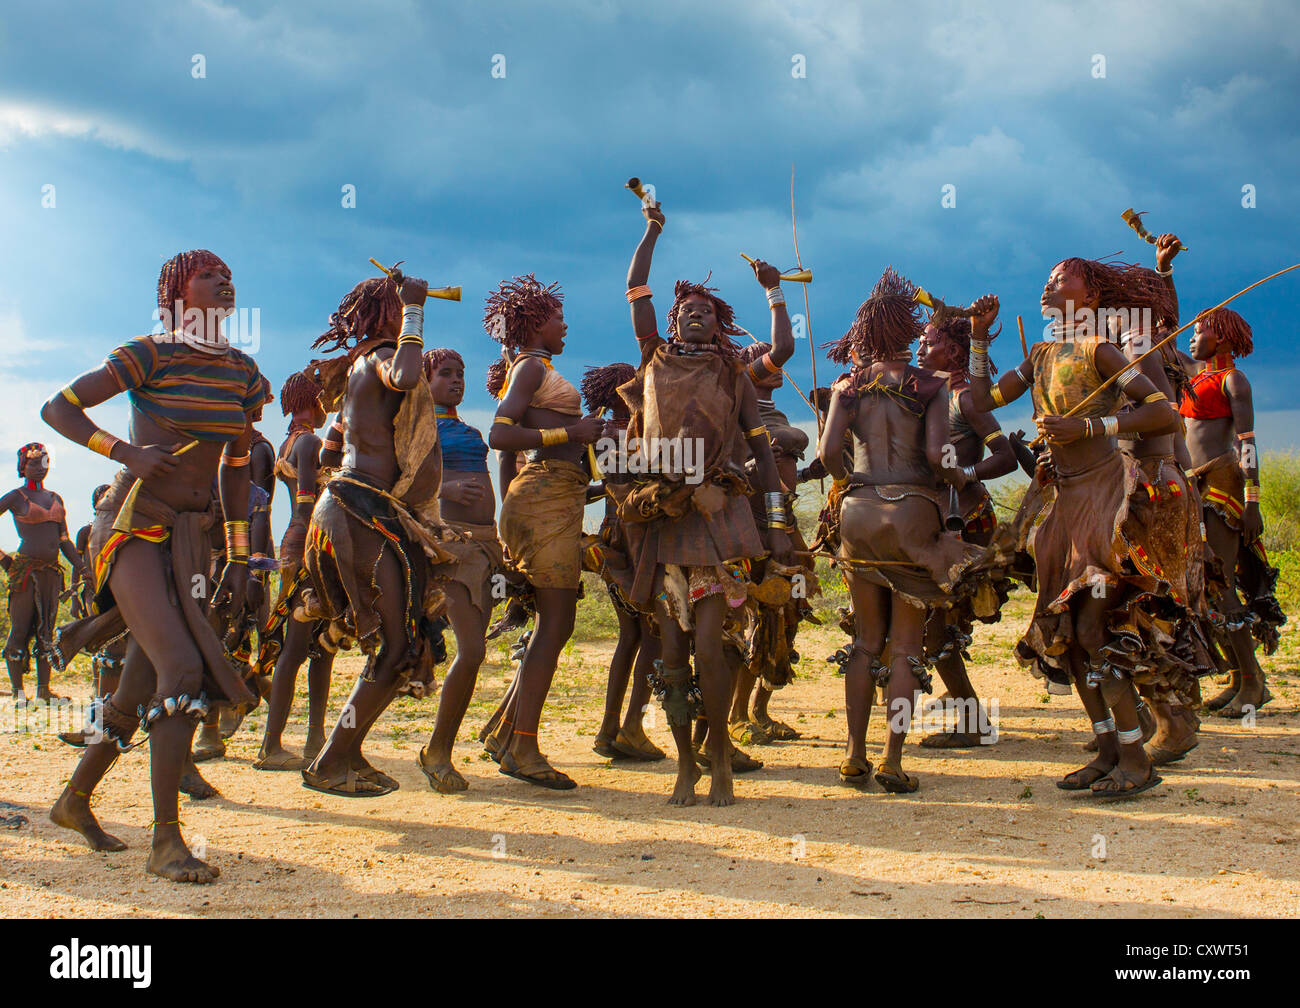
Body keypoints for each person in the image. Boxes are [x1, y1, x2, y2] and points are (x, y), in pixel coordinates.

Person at [43, 248, 266, 882]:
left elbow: (236, 466)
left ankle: (73, 801)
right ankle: (166, 841)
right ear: (176, 289)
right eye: (208, 274)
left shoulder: (244, 373)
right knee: (183, 665)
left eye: (229, 273)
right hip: (135, 527)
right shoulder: (148, 353)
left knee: (141, 683)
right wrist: (123, 450)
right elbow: (57, 408)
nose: (224, 280)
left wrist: (241, 553)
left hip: (196, 540)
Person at [966, 255, 1197, 799]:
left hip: (1105, 499)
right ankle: (1109, 750)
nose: (1049, 282)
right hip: (1063, 504)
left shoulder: (1102, 350)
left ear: (1090, 296)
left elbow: (1162, 411)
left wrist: (1089, 424)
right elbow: (982, 402)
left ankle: (1137, 758)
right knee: (1067, 638)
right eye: (1046, 276)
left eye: (1061, 277)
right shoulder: (1042, 355)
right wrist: (978, 340)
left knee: (1094, 629)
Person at [617, 198, 791, 806]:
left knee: (714, 643)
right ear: (671, 322)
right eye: (686, 310)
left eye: (705, 313)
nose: (695, 316)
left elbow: (762, 448)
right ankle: (685, 762)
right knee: (669, 651)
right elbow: (637, 284)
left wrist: (777, 527)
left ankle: (719, 752)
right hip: (661, 517)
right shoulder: (652, 360)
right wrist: (652, 229)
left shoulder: (733, 375)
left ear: (719, 327)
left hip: (719, 518)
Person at [818, 268, 981, 793]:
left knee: (866, 641)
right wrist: (954, 476)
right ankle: (892, 759)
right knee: (905, 646)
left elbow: (828, 459)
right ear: (910, 333)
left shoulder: (848, 385)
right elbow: (937, 455)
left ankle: (851, 755)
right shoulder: (930, 386)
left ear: (863, 335)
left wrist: (858, 475)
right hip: (912, 513)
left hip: (858, 512)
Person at [297, 268, 451, 797]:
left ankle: (344, 754)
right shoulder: (383, 357)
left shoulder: (355, 373)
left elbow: (328, 452)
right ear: (387, 311)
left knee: (398, 643)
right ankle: (332, 761)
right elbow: (406, 377)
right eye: (401, 303)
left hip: (355, 506)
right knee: (397, 645)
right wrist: (416, 311)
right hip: (362, 511)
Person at [485, 277, 604, 790]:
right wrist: (572, 434)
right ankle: (524, 748)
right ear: (537, 324)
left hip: (557, 494)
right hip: (544, 498)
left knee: (552, 627)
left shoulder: (541, 368)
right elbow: (499, 433)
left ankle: (508, 735)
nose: (566, 324)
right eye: (559, 316)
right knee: (555, 627)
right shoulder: (530, 367)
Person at [913, 311, 1017, 747]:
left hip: (961, 524)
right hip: (928, 521)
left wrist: (966, 474)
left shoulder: (965, 400)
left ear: (952, 351)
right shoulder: (928, 397)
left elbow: (1006, 456)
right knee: (926, 623)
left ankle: (973, 720)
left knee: (935, 625)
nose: (920, 348)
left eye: (928, 341)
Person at [1180, 304, 1284, 718]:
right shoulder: (1195, 374)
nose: (1192, 336)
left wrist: (1253, 501)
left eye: (1200, 330)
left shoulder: (1232, 380)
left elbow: (1247, 444)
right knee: (1206, 586)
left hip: (1223, 485)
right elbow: (1165, 340)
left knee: (1220, 582)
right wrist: (1162, 272)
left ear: (1220, 338)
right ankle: (1239, 679)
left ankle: (1254, 682)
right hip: (1194, 483)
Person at [415, 348, 509, 792]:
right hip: (449, 545)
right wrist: (447, 485)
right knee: (470, 651)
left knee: (473, 654)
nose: (456, 380)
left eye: (460, 373)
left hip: (486, 546)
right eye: (445, 374)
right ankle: (436, 751)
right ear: (424, 379)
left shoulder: (466, 428)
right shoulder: (417, 427)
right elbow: (403, 480)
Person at [580, 361, 665, 763]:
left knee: (629, 637)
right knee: (653, 637)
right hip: (641, 545)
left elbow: (603, 484)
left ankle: (608, 727)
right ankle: (632, 727)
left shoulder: (599, 435)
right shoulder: (634, 433)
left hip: (612, 543)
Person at [254, 371, 333, 770]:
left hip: (296, 542)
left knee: (316, 644)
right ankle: (271, 746)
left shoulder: (287, 442)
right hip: (309, 544)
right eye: (321, 400)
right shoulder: (310, 443)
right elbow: (307, 504)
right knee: (301, 646)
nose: (325, 408)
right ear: (312, 400)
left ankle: (315, 737)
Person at [1, 442, 83, 704]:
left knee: (46, 632)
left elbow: (65, 541)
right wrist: (5, 560)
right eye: (34, 463)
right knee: (20, 629)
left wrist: (84, 567)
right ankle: (18, 692)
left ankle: (44, 692)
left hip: (51, 574)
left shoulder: (55, 498)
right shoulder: (16, 497)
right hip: (24, 572)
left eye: (44, 462)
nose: (40, 468)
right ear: (22, 467)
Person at [57, 485, 127, 747]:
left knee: (118, 661)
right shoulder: (88, 531)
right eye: (102, 504)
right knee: (106, 660)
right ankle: (97, 727)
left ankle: (104, 728)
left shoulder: (128, 531)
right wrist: (76, 599)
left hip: (125, 601)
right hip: (97, 599)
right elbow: (80, 566)